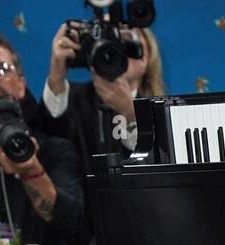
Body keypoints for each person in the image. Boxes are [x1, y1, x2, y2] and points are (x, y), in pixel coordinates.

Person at [0, 28, 88, 245]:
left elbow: (71, 220)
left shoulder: (55, 150)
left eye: (3, 69)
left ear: (22, 85)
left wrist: (30, 169)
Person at [35, 19, 165, 170]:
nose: (115, 49)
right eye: (108, 41)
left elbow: (159, 168)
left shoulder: (159, 112)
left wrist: (130, 114)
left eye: (126, 42)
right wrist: (56, 78)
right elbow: (45, 147)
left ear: (144, 57)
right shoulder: (69, 98)